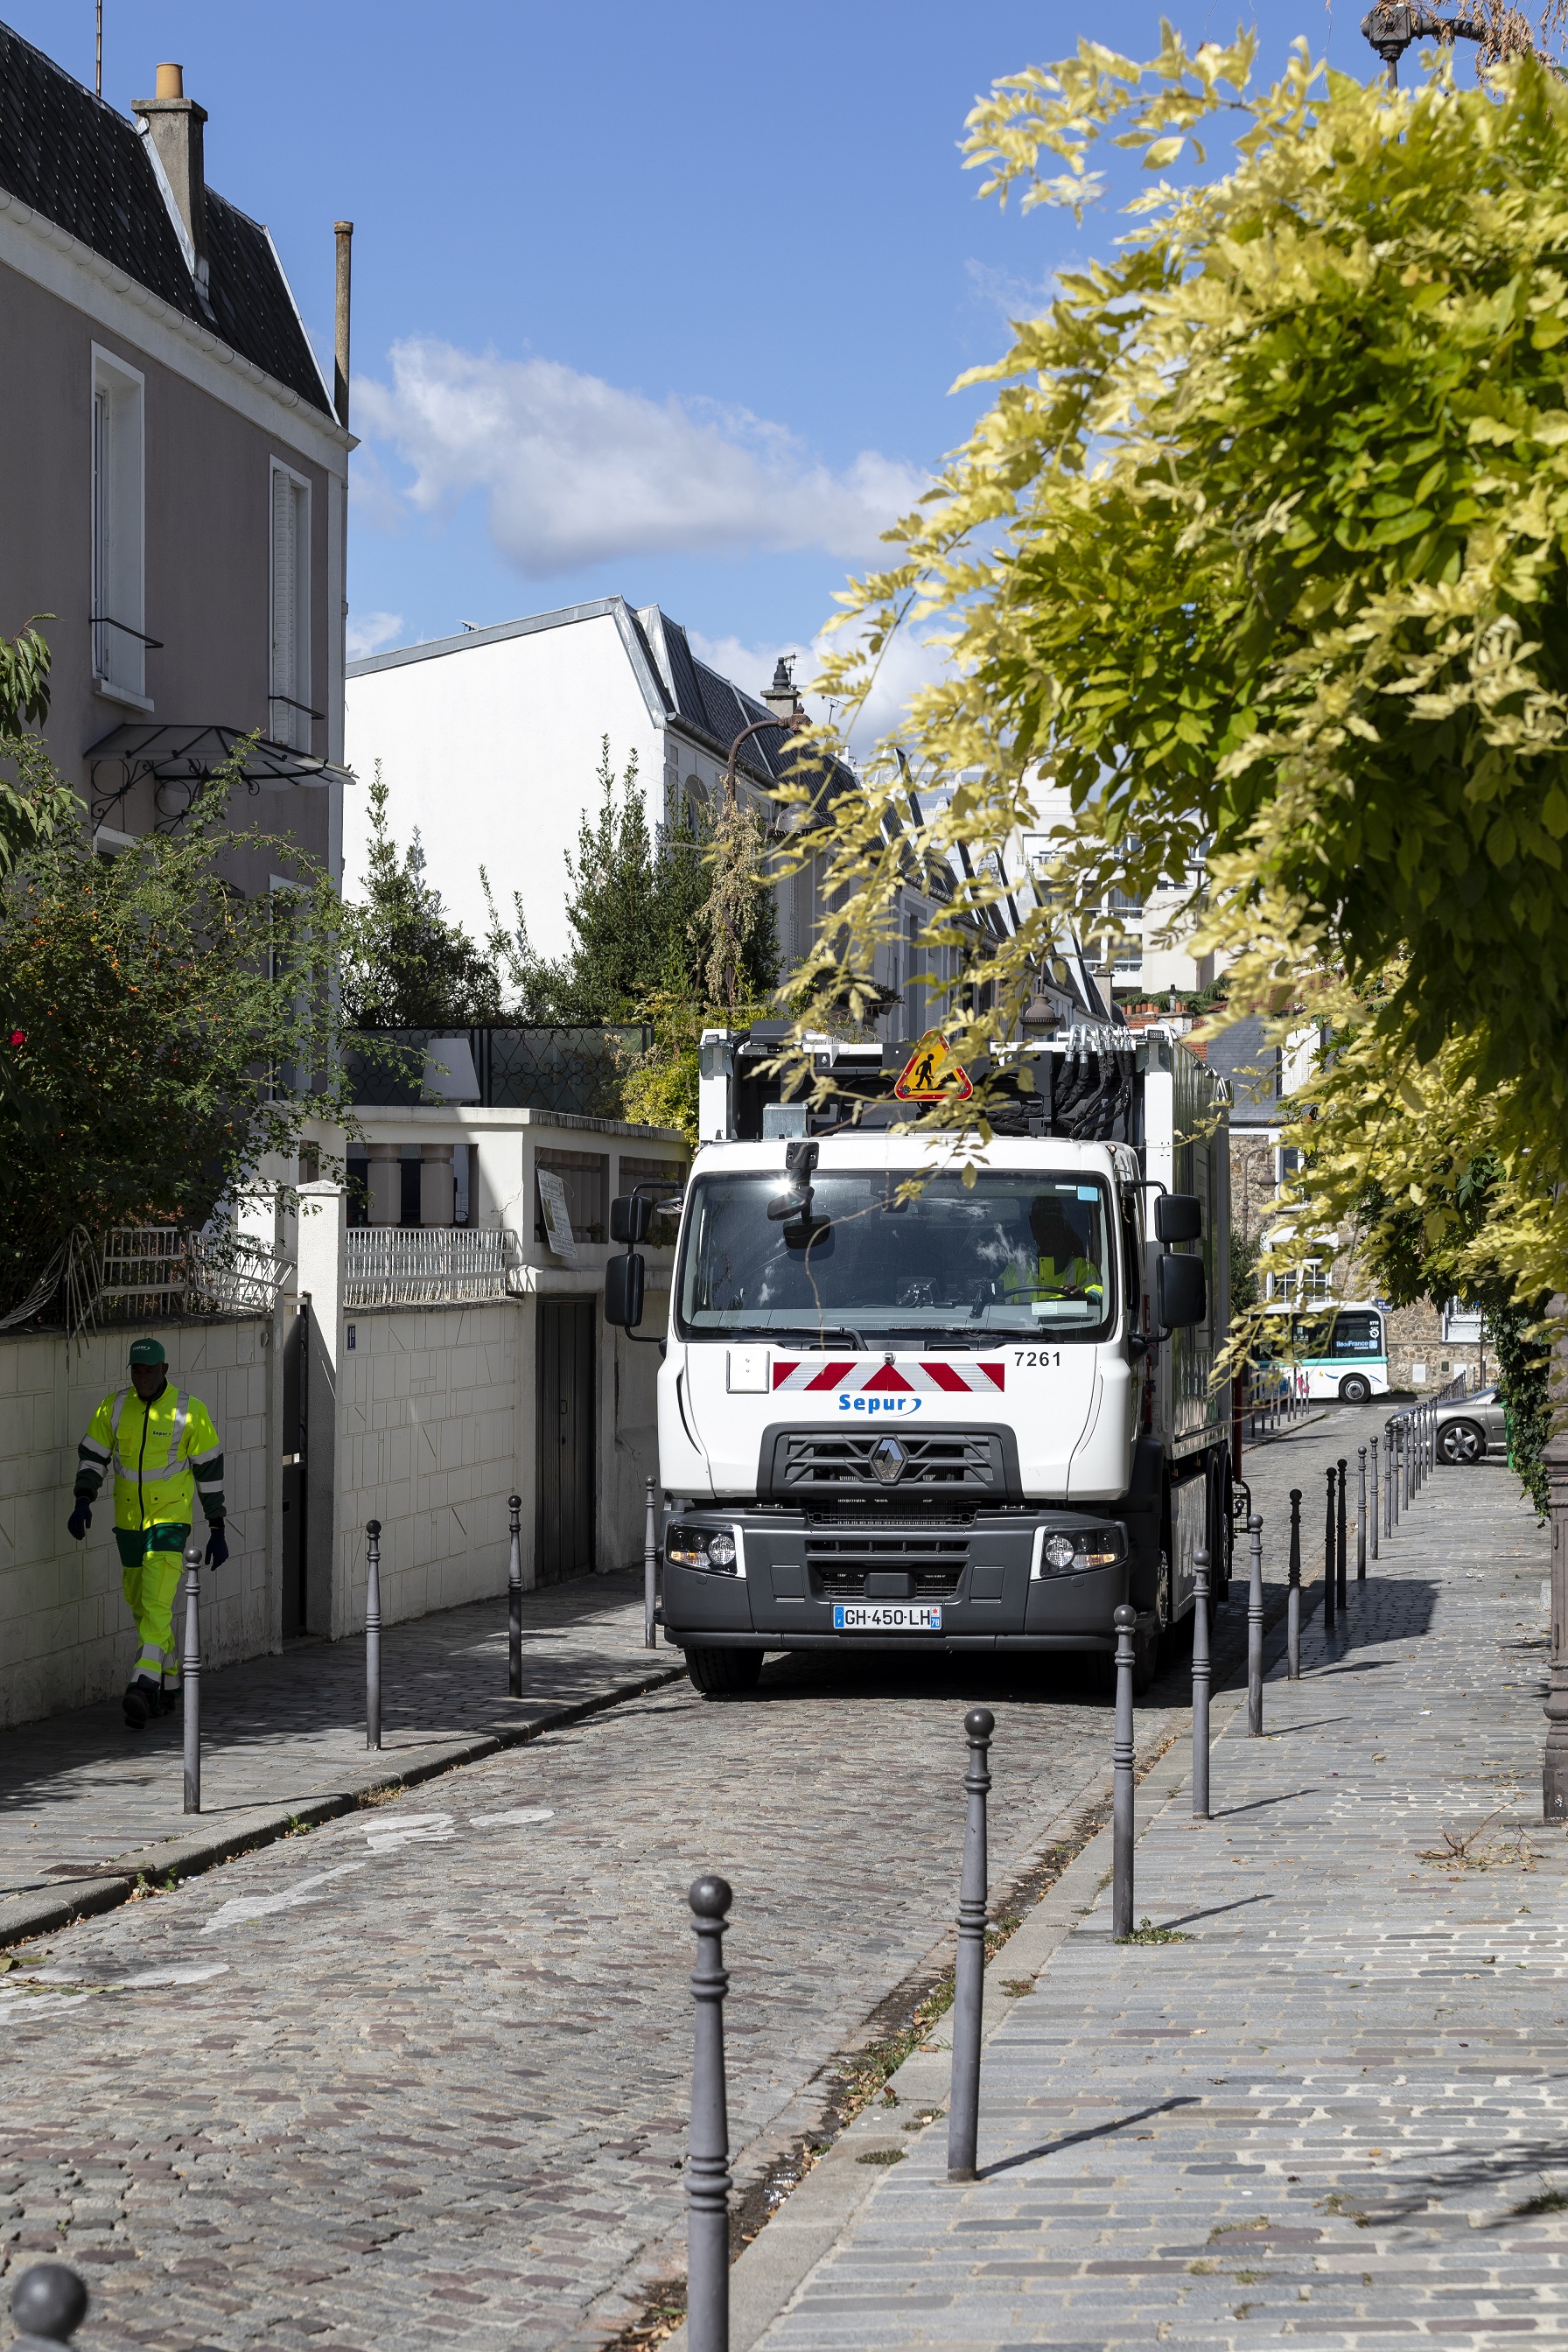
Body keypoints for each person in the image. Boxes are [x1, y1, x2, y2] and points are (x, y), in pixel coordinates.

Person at [68, 1338, 228, 1729]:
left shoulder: (190, 1412)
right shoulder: (114, 1407)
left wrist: (217, 1526)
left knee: (156, 1600)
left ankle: (142, 1683)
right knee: (141, 1603)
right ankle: (169, 1682)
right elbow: (93, 1456)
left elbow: (209, 1472)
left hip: (170, 1521)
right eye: (136, 1371)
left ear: (165, 1370)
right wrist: (83, 1499)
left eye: (149, 1371)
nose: (142, 1378)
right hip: (128, 1523)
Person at [1002, 1197, 1105, 1308]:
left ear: (1065, 1233)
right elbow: (996, 1304)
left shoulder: (1083, 1267)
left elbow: (1096, 1293)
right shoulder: (1014, 1271)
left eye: (1057, 1229)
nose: (1051, 1236)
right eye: (1046, 1230)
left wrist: (1084, 1297)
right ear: (1036, 1234)